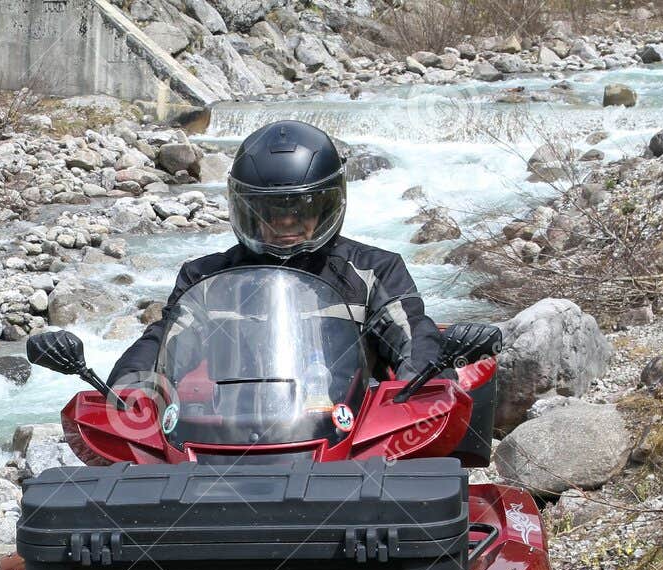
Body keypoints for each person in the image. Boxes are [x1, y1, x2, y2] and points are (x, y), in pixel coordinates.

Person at [108, 119, 441, 392]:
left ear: (327, 205)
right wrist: (130, 385)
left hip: (353, 439)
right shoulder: (204, 278)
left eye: (301, 208)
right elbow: (164, 341)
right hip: (223, 441)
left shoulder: (376, 270)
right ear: (247, 211)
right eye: (270, 210)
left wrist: (426, 381)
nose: (284, 221)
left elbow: (413, 335)